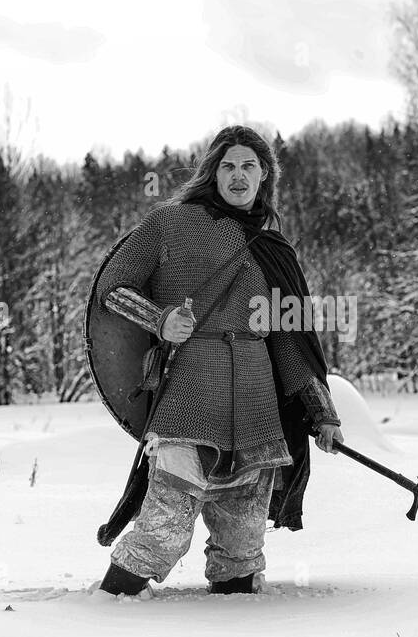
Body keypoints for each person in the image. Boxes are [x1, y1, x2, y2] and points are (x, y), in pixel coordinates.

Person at [91, 125, 344, 596]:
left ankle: (234, 629)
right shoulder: (170, 224)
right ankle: (108, 610)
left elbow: (290, 342)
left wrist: (323, 413)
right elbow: (111, 291)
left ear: (265, 175)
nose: (238, 175)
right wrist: (159, 319)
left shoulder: (273, 247)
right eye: (228, 165)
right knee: (161, 534)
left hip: (256, 409)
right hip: (188, 396)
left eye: (249, 165)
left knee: (242, 546)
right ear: (213, 172)